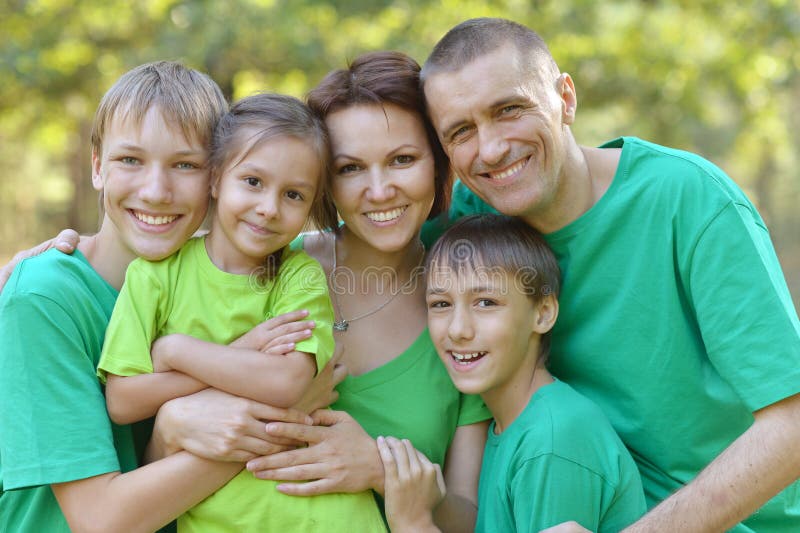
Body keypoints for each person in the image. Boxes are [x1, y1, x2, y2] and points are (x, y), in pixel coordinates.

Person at [420, 17, 800, 532]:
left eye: (508, 109)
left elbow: (792, 423)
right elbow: (338, 239)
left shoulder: (687, 199)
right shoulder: (468, 232)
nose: (489, 149)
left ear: (565, 98)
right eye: (461, 131)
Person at [0, 61, 314, 533]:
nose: (156, 191)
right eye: (130, 160)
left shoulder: (253, 278)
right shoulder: (47, 299)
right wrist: (276, 404)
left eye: (184, 165)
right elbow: (99, 520)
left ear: (219, 178)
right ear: (96, 167)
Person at [95, 92, 385, 532]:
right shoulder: (153, 277)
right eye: (252, 181)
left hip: (331, 517)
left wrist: (174, 350)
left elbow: (286, 382)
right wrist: (244, 350)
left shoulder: (298, 276)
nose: (269, 208)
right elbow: (122, 399)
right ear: (215, 179)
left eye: (293, 194)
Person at [243, 51, 492, 532]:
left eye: (402, 160)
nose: (379, 191)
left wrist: (381, 470)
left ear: (440, 165)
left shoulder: (466, 314)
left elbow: (466, 516)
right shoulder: (264, 264)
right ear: (323, 181)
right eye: (351, 168)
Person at [410, 213, 645, 532]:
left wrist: (412, 523)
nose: (458, 329)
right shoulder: (509, 426)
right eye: (440, 304)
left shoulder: (550, 441)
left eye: (486, 302)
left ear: (543, 313)